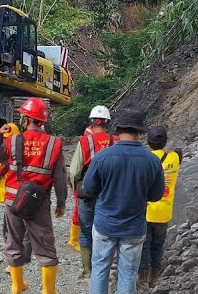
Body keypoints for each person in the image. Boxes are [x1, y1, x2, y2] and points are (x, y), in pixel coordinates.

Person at [80, 109, 165, 294]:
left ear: (118, 129)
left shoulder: (102, 157)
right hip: (134, 227)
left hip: (105, 225)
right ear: (140, 132)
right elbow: (156, 195)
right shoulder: (152, 161)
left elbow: (88, 188)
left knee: (100, 270)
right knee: (128, 274)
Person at [0, 97, 66, 294]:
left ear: (26, 119)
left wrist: (0, 136)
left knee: (13, 243)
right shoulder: (54, 144)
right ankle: (49, 291)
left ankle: (17, 286)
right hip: (37, 203)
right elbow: (59, 177)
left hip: (12, 201)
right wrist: (61, 203)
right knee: (45, 247)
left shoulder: (13, 140)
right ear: (42, 121)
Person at [69, 105, 116, 279]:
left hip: (88, 192)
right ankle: (104, 268)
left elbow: (74, 172)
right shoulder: (116, 140)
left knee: (86, 230)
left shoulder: (84, 142)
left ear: (91, 122)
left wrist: (76, 188)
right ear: (107, 123)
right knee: (107, 230)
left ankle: (88, 270)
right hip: (109, 192)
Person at [139, 125, 181, 289]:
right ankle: (154, 279)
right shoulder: (175, 158)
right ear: (165, 141)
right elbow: (178, 151)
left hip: (147, 212)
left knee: (145, 246)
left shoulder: (145, 159)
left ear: (148, 142)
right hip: (165, 213)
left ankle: (143, 279)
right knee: (158, 247)